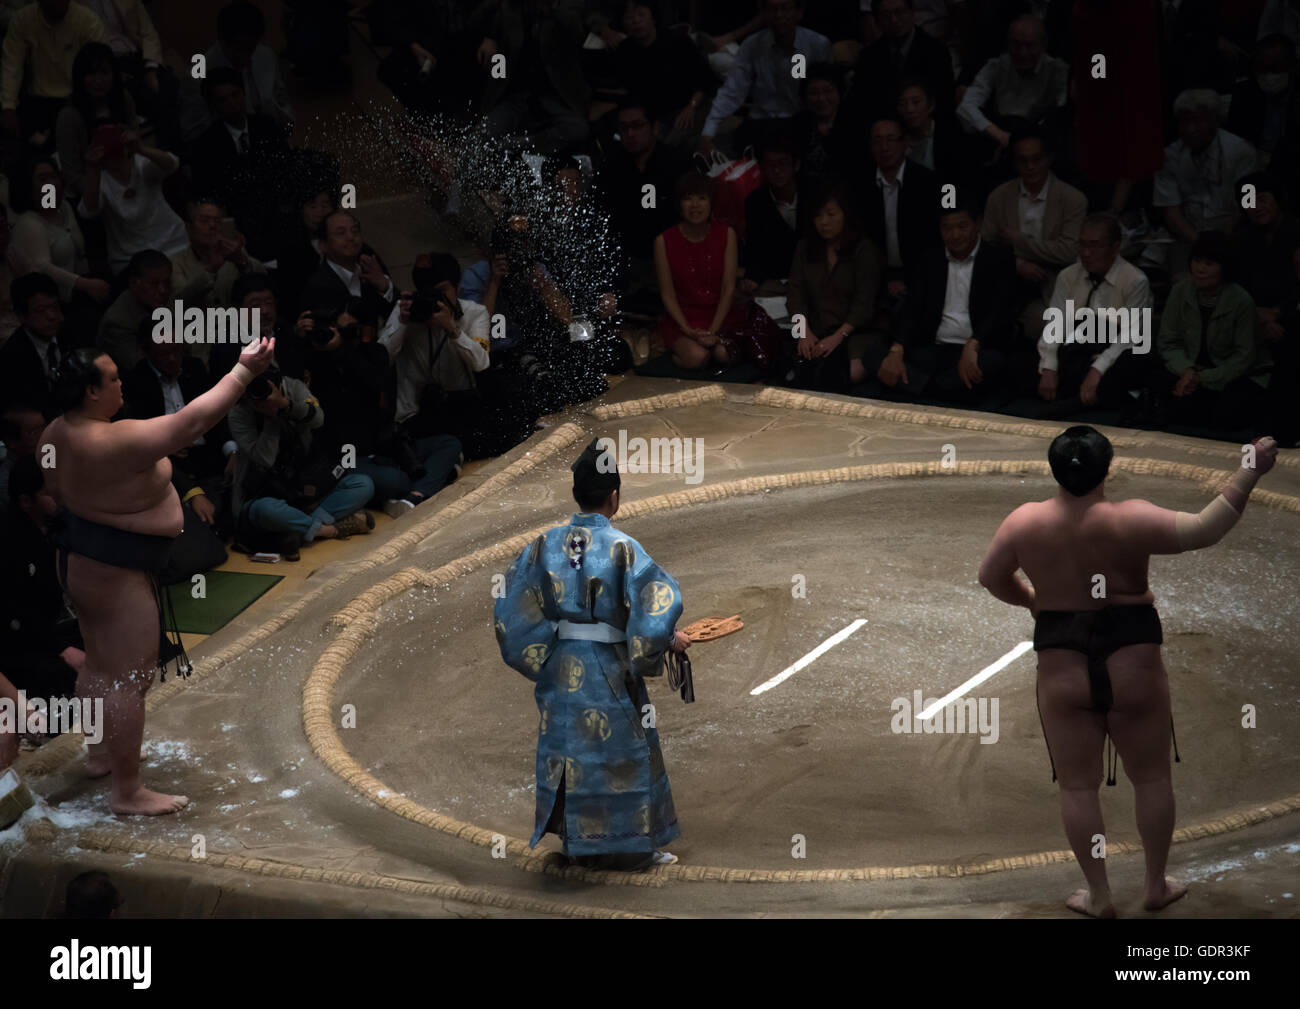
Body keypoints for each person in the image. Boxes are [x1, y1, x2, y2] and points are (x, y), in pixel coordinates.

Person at [978, 425, 1279, 917]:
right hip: (1132, 659)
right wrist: (1249, 471)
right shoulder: (1131, 518)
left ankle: (1099, 897)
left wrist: (1035, 600)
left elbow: (991, 577)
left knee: (1078, 786)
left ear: (1053, 470)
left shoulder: (1023, 523)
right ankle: (1154, 885)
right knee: (1153, 779)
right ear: (1108, 470)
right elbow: (1208, 527)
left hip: (1063, 662)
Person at [37, 337, 276, 814]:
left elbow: (55, 493)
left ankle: (101, 754)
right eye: (112, 378)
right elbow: (193, 422)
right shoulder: (112, 439)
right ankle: (128, 792)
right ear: (90, 391)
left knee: (99, 665)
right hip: (113, 571)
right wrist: (244, 371)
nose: (121, 382)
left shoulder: (54, 434)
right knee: (130, 677)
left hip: (80, 560)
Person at [494, 437, 690, 871]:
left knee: (568, 750)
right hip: (608, 668)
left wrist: (544, 657)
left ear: (575, 495)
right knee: (626, 750)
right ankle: (636, 846)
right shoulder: (624, 548)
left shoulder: (543, 546)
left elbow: (511, 611)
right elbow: (654, 607)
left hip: (563, 665)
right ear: (614, 497)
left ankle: (575, 843)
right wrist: (664, 642)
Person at [865, 198, 1016, 404]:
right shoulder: (930, 259)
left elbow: (1000, 311)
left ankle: (921, 390)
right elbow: (912, 307)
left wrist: (974, 344)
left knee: (994, 363)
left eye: (962, 227)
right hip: (932, 349)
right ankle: (940, 392)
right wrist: (897, 349)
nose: (954, 235)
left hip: (972, 350)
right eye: (947, 228)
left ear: (977, 224)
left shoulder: (997, 258)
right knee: (874, 354)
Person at [1034, 213, 1153, 417]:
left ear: (1115, 247)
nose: (1086, 253)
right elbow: (1055, 324)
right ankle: (1091, 397)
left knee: (1135, 360)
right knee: (1025, 362)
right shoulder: (1068, 275)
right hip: (1076, 350)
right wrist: (1049, 367)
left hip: (1112, 352)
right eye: (1082, 245)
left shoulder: (1135, 280)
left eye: (1095, 246)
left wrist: (1097, 370)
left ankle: (1077, 402)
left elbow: (1130, 336)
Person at [981, 128, 1087, 347]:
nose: (1030, 167)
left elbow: (1068, 251)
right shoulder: (999, 197)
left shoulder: (1072, 199)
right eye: (1023, 160)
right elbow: (984, 246)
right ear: (1014, 162)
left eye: (1036, 159)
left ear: (1048, 159)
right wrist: (1016, 263)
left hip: (1055, 284)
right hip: (1006, 282)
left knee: (1041, 324)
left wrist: (1020, 242)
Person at [1155, 230, 1269, 431]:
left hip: (1234, 375)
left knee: (1226, 415)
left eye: (1209, 264)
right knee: (1170, 399)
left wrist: (1202, 378)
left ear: (1224, 268)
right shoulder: (1180, 291)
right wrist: (1187, 371)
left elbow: (1243, 358)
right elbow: (1168, 342)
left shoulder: (1241, 301)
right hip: (1191, 370)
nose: (1200, 269)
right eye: (1197, 261)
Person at [698, 0, 832, 158]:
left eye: (786, 8)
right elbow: (732, 91)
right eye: (772, 9)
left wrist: (825, 120)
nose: (779, 15)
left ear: (799, 12)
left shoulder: (817, 45)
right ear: (764, 13)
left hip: (801, 120)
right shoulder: (752, 45)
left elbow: (828, 89)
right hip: (762, 120)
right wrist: (708, 132)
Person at [1154, 90, 1259, 277]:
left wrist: (1221, 244)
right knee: (1181, 286)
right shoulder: (1170, 156)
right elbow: (1171, 211)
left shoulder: (1241, 152)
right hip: (1187, 237)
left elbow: (1247, 206)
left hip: (1233, 235)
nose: (1191, 129)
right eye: (1185, 121)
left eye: (1198, 121)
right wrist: (1199, 242)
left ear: (1215, 120)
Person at [787, 184, 881, 389]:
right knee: (804, 367)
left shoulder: (864, 250)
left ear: (846, 214)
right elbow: (795, 293)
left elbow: (864, 305)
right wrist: (803, 330)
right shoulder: (804, 247)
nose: (824, 222)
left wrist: (838, 337)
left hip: (855, 331)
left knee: (850, 372)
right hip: (815, 327)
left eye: (831, 214)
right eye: (818, 216)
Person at [476, 0, 590, 155]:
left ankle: (517, 145)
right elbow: (500, 57)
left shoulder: (566, 8)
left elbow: (576, 34)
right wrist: (489, 38)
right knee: (482, 134)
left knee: (578, 130)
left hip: (555, 97)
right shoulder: (508, 9)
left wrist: (553, 9)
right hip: (514, 97)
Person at [654, 172, 744, 370]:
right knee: (697, 357)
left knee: (723, 354)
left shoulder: (727, 234)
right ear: (679, 205)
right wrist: (688, 330)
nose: (695, 205)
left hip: (719, 315)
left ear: (711, 203)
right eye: (688, 198)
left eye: (702, 198)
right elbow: (667, 294)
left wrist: (712, 331)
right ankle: (679, 353)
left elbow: (728, 288)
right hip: (682, 318)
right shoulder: (663, 241)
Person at [78, 126, 187, 276]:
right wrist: (92, 167)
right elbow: (90, 209)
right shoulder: (99, 181)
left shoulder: (142, 164)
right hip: (131, 259)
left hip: (173, 243)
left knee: (183, 291)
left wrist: (141, 148)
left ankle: (181, 300)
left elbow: (171, 164)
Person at [956, 14, 1068, 155]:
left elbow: (1063, 110)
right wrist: (999, 135)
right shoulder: (996, 66)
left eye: (1030, 45)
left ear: (1043, 44)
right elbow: (966, 107)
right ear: (1008, 43)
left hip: (1039, 140)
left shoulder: (1057, 70)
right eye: (1016, 44)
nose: (1022, 53)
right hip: (999, 136)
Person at [8, 155, 110, 309]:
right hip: (56, 305)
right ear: (27, 186)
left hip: (83, 294)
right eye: (43, 179)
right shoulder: (29, 223)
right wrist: (85, 284)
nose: (51, 184)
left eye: (53, 177)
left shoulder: (64, 208)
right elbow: (42, 266)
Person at [0, 0, 108, 144]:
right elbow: (11, 66)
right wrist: (8, 107)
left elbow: (102, 68)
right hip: (38, 102)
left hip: (78, 100)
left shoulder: (88, 21)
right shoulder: (22, 20)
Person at [54, 42, 139, 204]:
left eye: (105, 73)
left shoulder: (124, 99)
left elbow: (137, 149)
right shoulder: (68, 117)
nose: (98, 81)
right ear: (80, 77)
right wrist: (110, 190)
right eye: (91, 74)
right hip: (91, 195)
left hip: (128, 181)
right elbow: (73, 177)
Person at [847, 0, 956, 125]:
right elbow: (864, 102)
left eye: (899, 12)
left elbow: (944, 102)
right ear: (876, 21)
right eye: (886, 15)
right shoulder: (869, 56)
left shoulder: (935, 52)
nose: (894, 20)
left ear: (912, 12)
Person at [740, 136, 805, 291]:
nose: (776, 170)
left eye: (783, 163)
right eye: (770, 165)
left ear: (796, 164)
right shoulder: (755, 201)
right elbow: (755, 248)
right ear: (762, 167)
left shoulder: (814, 193)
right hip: (776, 277)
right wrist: (753, 276)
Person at [0, 273, 67, 417]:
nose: (51, 316)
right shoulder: (11, 357)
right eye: (41, 311)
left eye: (54, 307)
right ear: (21, 316)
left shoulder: (72, 333)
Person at [98, 248, 172, 373]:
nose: (162, 290)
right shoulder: (117, 322)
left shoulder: (167, 303)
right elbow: (142, 369)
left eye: (166, 282)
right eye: (154, 284)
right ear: (134, 283)